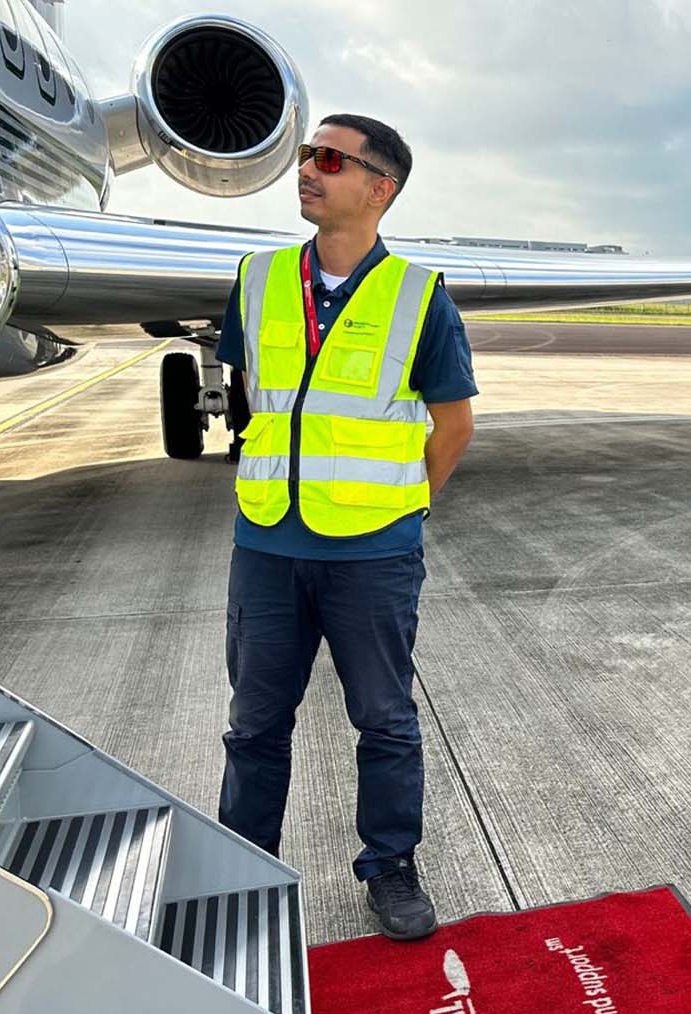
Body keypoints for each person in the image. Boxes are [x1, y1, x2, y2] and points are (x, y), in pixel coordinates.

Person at [213, 113, 476, 941]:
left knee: (385, 720)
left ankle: (390, 867)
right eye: (305, 155)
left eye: (329, 159)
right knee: (255, 723)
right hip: (267, 544)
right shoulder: (256, 280)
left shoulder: (420, 297)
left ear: (379, 188)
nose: (307, 169)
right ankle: (243, 866)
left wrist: (405, 503)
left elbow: (453, 424)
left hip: (373, 554)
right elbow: (252, 391)